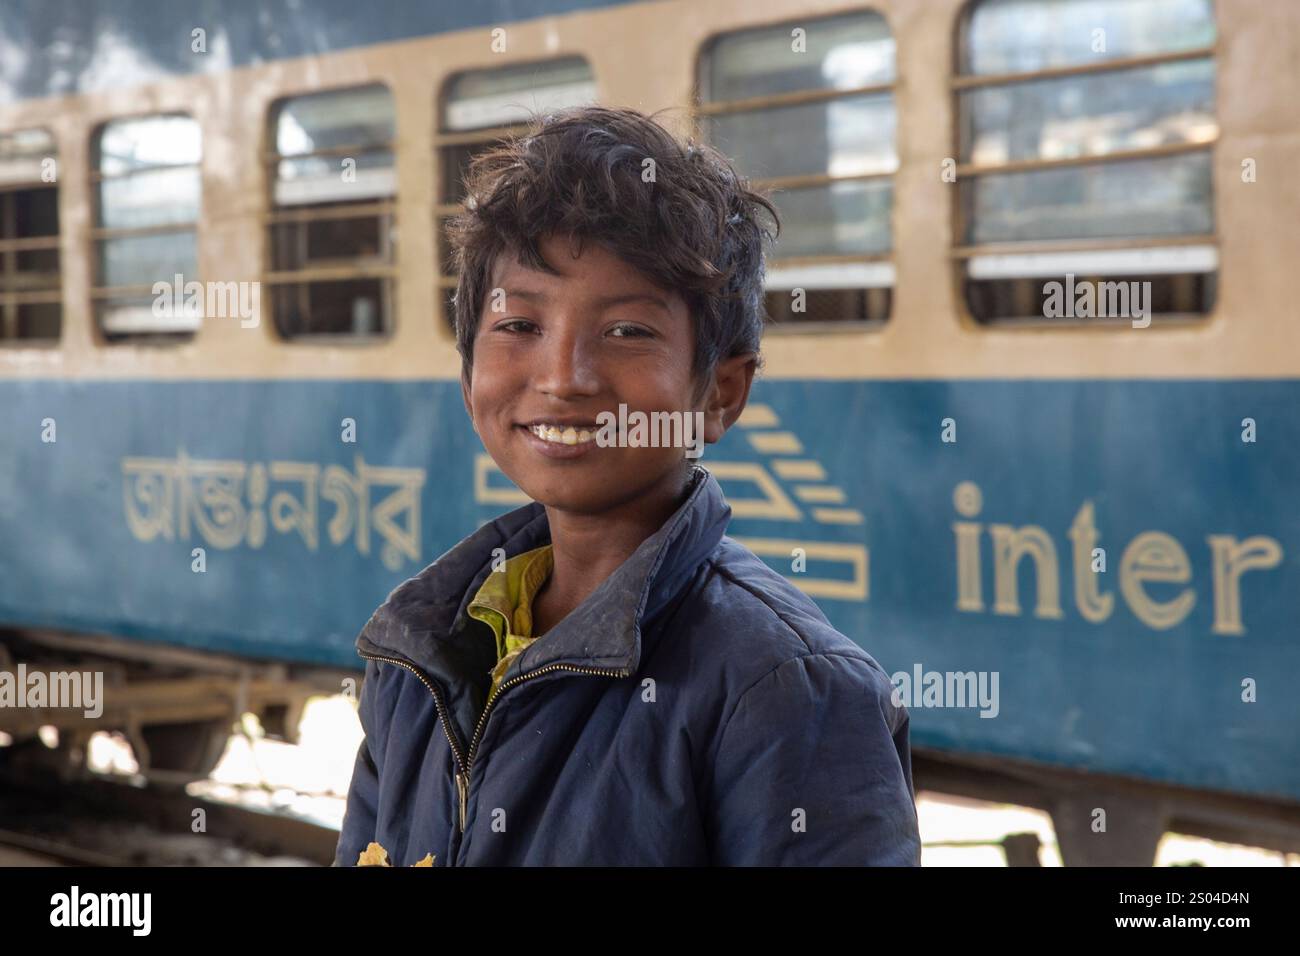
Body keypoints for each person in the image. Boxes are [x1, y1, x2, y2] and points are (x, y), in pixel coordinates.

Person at [334, 105, 921, 866]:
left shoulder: (789, 691)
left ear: (721, 394)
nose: (563, 378)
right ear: (468, 369)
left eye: (628, 332)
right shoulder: (416, 656)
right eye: (519, 326)